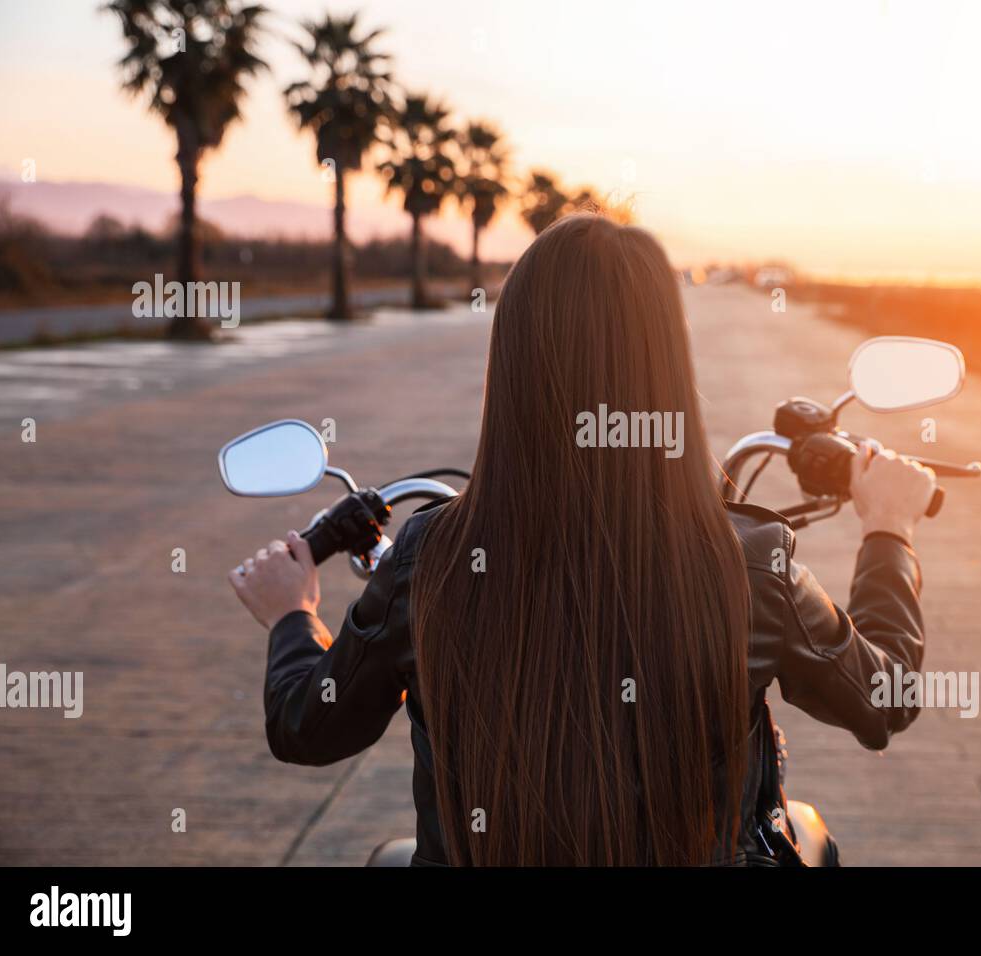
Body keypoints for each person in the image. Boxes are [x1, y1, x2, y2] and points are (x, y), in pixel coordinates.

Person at [228, 214, 935, 866]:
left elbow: (307, 728)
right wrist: (888, 531)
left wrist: (294, 615)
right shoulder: (746, 562)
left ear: (512, 363)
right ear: (668, 368)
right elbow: (884, 699)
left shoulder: (429, 558)